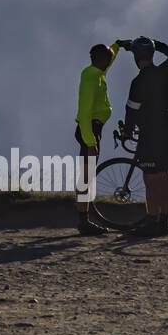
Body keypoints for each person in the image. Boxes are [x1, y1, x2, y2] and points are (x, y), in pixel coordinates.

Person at [121, 37, 168, 236]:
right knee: (163, 178)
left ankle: (151, 221)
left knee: (151, 180)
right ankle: (163, 223)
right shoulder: (164, 73)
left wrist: (127, 132)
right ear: (152, 54)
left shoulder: (137, 82)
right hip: (167, 132)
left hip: (149, 135)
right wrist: (156, 43)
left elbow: (131, 110)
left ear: (136, 57)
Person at [74, 40, 123, 235]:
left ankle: (84, 219)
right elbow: (84, 112)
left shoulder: (98, 71)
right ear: (97, 59)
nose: (110, 59)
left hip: (94, 129)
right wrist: (90, 142)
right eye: (107, 57)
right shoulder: (91, 78)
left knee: (88, 175)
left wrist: (118, 46)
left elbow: (109, 57)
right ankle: (83, 221)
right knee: (86, 177)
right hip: (89, 130)